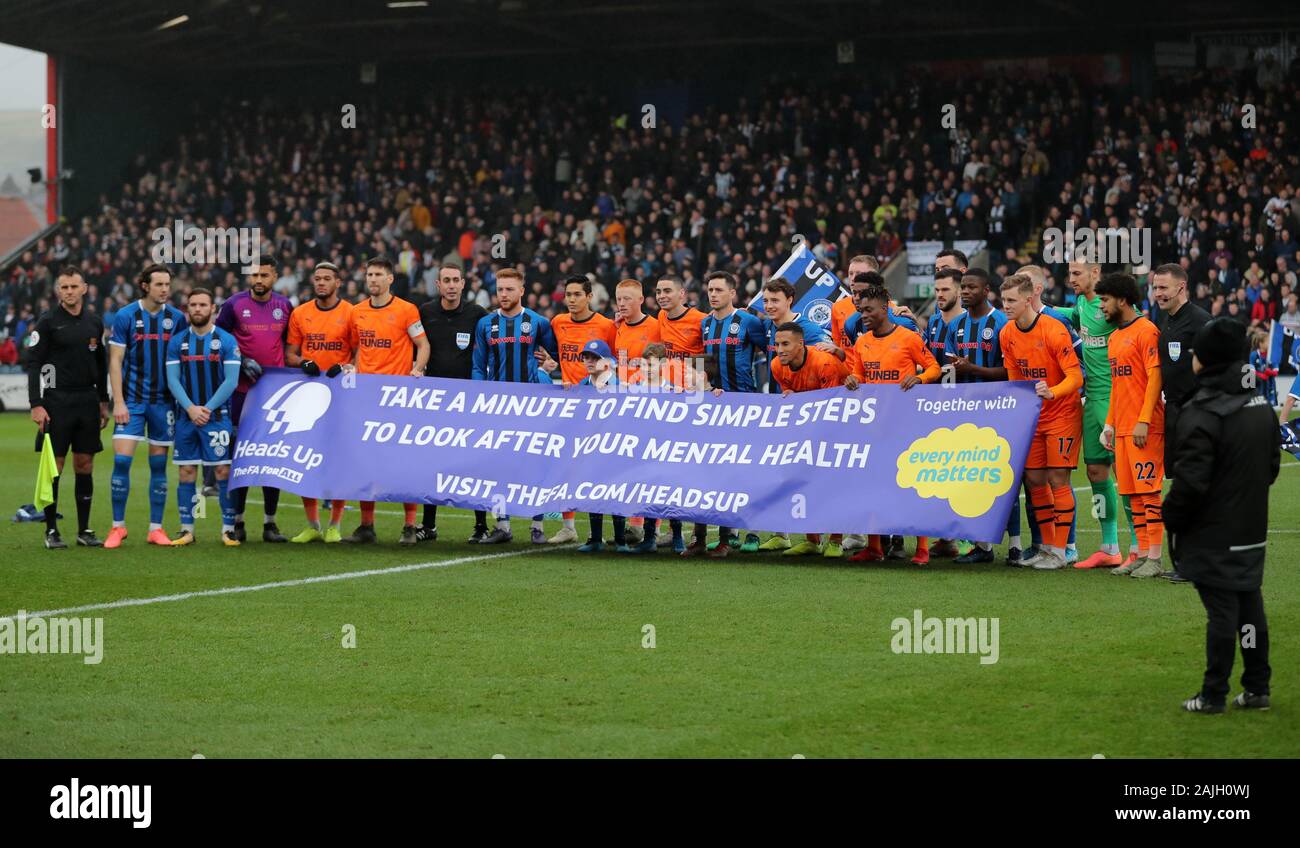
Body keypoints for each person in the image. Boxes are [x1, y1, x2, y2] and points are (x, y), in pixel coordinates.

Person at [1165, 318, 1280, 713]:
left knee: (1222, 614)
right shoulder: (1262, 404)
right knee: (1249, 608)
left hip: (1214, 533)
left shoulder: (1202, 413)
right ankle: (1257, 687)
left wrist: (1171, 516)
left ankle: (1213, 693)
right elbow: (1271, 468)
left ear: (1206, 360)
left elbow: (1190, 485)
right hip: (1252, 527)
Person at [844, 284, 941, 564]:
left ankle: (922, 548)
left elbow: (934, 367)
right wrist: (853, 381)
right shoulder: (862, 342)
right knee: (874, 484)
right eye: (861, 310)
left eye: (869, 310)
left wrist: (920, 379)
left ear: (885, 309)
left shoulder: (908, 338)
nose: (863, 315)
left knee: (912, 484)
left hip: (906, 422)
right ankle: (874, 547)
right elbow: (858, 376)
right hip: (874, 423)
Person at [341, 256, 431, 545]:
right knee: (366, 462)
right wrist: (353, 368)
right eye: (369, 274)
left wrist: (418, 368)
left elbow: (423, 344)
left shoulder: (407, 310)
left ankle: (409, 526)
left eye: (379, 274)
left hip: (397, 399)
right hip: (366, 398)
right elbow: (357, 348)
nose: (373, 279)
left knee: (403, 462)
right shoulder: (356, 312)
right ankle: (367, 525)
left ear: (390, 279)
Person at [999, 273, 1083, 571]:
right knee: (1034, 480)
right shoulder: (1007, 333)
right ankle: (1046, 547)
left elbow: (1076, 376)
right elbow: (1013, 377)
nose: (1006, 306)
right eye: (1003, 300)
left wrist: (1053, 391)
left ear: (1027, 299)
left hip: (1061, 413)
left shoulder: (1054, 330)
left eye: (1011, 301)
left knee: (1058, 478)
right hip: (1033, 416)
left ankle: (1061, 551)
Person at [471, 267, 559, 544]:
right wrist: (479, 399)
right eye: (500, 289)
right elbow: (477, 367)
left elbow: (554, 357)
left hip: (532, 406)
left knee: (534, 464)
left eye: (510, 289)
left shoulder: (538, 323)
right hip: (498, 407)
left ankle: (537, 525)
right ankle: (502, 525)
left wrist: (549, 365)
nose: (504, 294)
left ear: (522, 290)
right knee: (497, 467)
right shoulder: (486, 324)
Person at [26, 268, 110, 549]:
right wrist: (36, 404)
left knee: (85, 464)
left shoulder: (94, 323)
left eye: (74, 286)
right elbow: (33, 364)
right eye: (64, 287)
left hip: (87, 401)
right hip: (56, 402)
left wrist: (103, 400)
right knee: (55, 467)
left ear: (85, 288)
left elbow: (100, 365)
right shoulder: (47, 323)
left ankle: (84, 530)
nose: (69, 291)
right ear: (58, 291)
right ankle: (51, 530)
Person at [106, 264, 188, 548]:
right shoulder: (126, 315)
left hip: (163, 403)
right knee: (121, 461)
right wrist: (118, 401)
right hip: (131, 401)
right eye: (159, 284)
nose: (165, 289)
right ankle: (118, 527)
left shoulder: (177, 319)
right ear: (145, 286)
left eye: (168, 284)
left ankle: (156, 528)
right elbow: (115, 361)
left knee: (158, 466)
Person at [216, 257, 293, 544]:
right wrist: (241, 359)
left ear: (275, 277)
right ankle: (237, 521)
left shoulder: (285, 306)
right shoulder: (234, 305)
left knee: (272, 458)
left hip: (273, 395)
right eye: (254, 275)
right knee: (241, 457)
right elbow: (218, 341)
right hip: (240, 393)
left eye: (264, 274)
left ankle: (270, 523)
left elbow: (289, 344)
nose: (258, 279)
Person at [415, 260, 489, 543]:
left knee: (473, 463)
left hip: (469, 401)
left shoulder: (477, 314)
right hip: (434, 401)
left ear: (463, 283)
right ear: (438, 284)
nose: (451, 285)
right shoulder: (426, 312)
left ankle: (481, 525)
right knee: (432, 462)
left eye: (455, 280)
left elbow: (495, 345)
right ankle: (429, 525)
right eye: (445, 280)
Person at [1098, 273, 1166, 578]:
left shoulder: (1147, 331)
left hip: (1144, 428)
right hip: (1122, 428)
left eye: (1105, 299)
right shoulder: (1113, 338)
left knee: (1149, 492)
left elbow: (1155, 378)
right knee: (1131, 494)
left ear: (1122, 300)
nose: (1101, 306)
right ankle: (1139, 553)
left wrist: (1143, 420)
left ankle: (1155, 557)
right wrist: (1109, 424)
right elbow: (1117, 385)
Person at [1060, 261, 1127, 570]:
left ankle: (1140, 548)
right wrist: (1040, 308)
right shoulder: (1081, 304)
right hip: (1092, 399)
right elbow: (1071, 316)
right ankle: (1109, 547)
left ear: (1095, 271)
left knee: (1124, 473)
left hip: (1115, 398)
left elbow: (1137, 329)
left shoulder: (1112, 305)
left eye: (1076, 273)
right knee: (1096, 473)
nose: (1070, 278)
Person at [697, 270, 768, 557]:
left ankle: (753, 532)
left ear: (732, 293)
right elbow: (704, 366)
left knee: (748, 471)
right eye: (710, 289)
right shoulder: (705, 324)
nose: (713, 294)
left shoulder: (748, 322)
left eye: (718, 290)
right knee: (721, 473)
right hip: (715, 410)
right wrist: (706, 387)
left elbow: (771, 352)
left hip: (745, 405)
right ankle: (730, 533)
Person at [285, 261, 355, 544]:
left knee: (339, 460)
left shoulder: (351, 313)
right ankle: (312, 524)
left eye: (327, 279)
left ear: (338, 282)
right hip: (310, 394)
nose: (321, 283)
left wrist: (348, 366)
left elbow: (361, 350)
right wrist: (304, 362)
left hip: (342, 395)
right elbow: (290, 353)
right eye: (317, 279)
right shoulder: (300, 313)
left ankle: (335, 524)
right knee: (306, 457)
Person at [164, 288, 241, 546]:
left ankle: (228, 529)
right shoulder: (177, 342)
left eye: (202, 305)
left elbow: (231, 382)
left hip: (216, 417)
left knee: (222, 471)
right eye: (193, 305)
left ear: (213, 310)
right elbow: (173, 381)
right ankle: (188, 529)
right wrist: (190, 408)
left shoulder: (227, 341)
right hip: (187, 418)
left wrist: (205, 408)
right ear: (187, 310)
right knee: (187, 472)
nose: (197, 309)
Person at [1151, 263, 1211, 583]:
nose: (1158, 293)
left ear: (1182, 287)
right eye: (1155, 288)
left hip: (1196, 414)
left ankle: (1197, 561)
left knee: (1194, 488)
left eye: (1163, 288)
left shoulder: (1201, 322)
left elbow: (1217, 367)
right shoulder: (1168, 321)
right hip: (1173, 413)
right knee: (1182, 485)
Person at [945, 268, 1011, 564]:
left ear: (987, 291)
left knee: (1005, 480)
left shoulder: (1001, 323)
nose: (965, 291)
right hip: (965, 413)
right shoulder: (956, 325)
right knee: (974, 481)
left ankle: (1017, 546)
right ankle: (982, 547)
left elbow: (1011, 371)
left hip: (999, 412)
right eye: (963, 287)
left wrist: (975, 371)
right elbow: (949, 369)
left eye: (972, 287)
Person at [769, 321, 850, 557]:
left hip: (840, 428)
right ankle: (812, 540)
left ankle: (836, 540)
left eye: (786, 344)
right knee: (804, 481)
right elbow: (793, 397)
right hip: (810, 429)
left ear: (801, 344)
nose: (780, 349)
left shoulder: (824, 363)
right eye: (777, 344)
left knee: (831, 484)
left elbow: (833, 405)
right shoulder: (776, 366)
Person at [550, 274, 617, 545]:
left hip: (600, 406)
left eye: (578, 294)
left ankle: (622, 526)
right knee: (567, 462)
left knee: (602, 465)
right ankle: (568, 526)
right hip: (571, 405)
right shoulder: (557, 323)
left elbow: (615, 356)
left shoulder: (606, 325)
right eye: (568, 295)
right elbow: (549, 351)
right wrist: (549, 362)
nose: (572, 300)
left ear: (590, 296)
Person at [653, 274, 707, 553]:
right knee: (671, 469)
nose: (662, 296)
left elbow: (712, 353)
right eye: (659, 291)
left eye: (667, 291)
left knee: (699, 469)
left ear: (682, 294)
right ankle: (672, 530)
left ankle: (707, 534)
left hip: (696, 404)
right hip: (670, 405)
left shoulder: (701, 319)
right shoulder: (660, 319)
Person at [612, 277, 660, 549]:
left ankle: (651, 528)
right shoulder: (617, 328)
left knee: (649, 467)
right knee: (626, 466)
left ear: (641, 300)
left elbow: (665, 360)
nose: (623, 303)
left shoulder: (655, 327)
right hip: (623, 408)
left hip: (649, 407)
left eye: (628, 298)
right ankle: (634, 525)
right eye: (619, 298)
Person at [573, 339, 629, 553]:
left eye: (594, 358)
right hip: (590, 446)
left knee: (615, 491)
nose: (589, 361)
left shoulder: (620, 386)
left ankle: (620, 540)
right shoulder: (582, 386)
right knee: (592, 489)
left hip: (615, 446)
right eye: (586, 357)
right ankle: (596, 538)